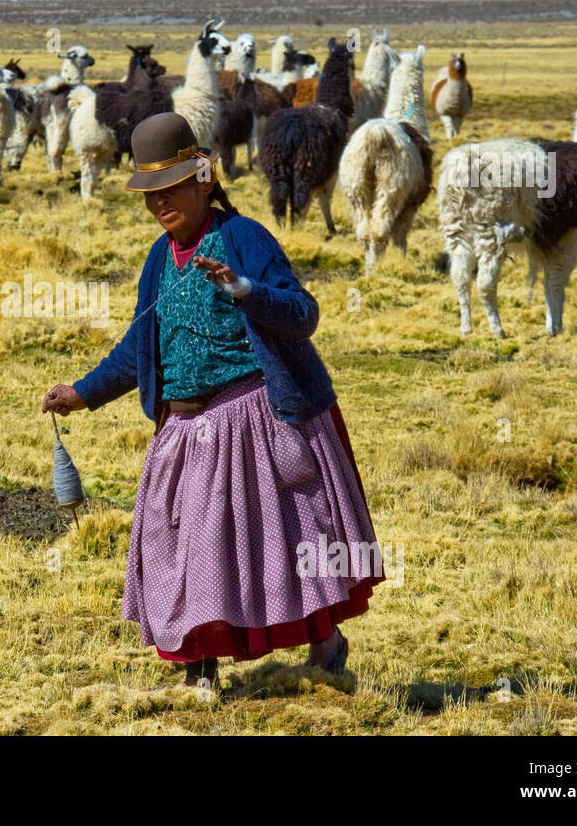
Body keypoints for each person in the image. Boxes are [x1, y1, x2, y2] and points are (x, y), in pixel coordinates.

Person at [41, 112, 384, 693]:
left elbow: (302, 315)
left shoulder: (245, 238)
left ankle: (326, 649)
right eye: (151, 194)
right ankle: (200, 666)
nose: (159, 204)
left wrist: (246, 291)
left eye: (171, 189)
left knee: (292, 541)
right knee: (183, 546)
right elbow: (139, 347)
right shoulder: (159, 259)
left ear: (203, 177)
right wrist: (82, 392)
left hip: (255, 417)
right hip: (183, 427)